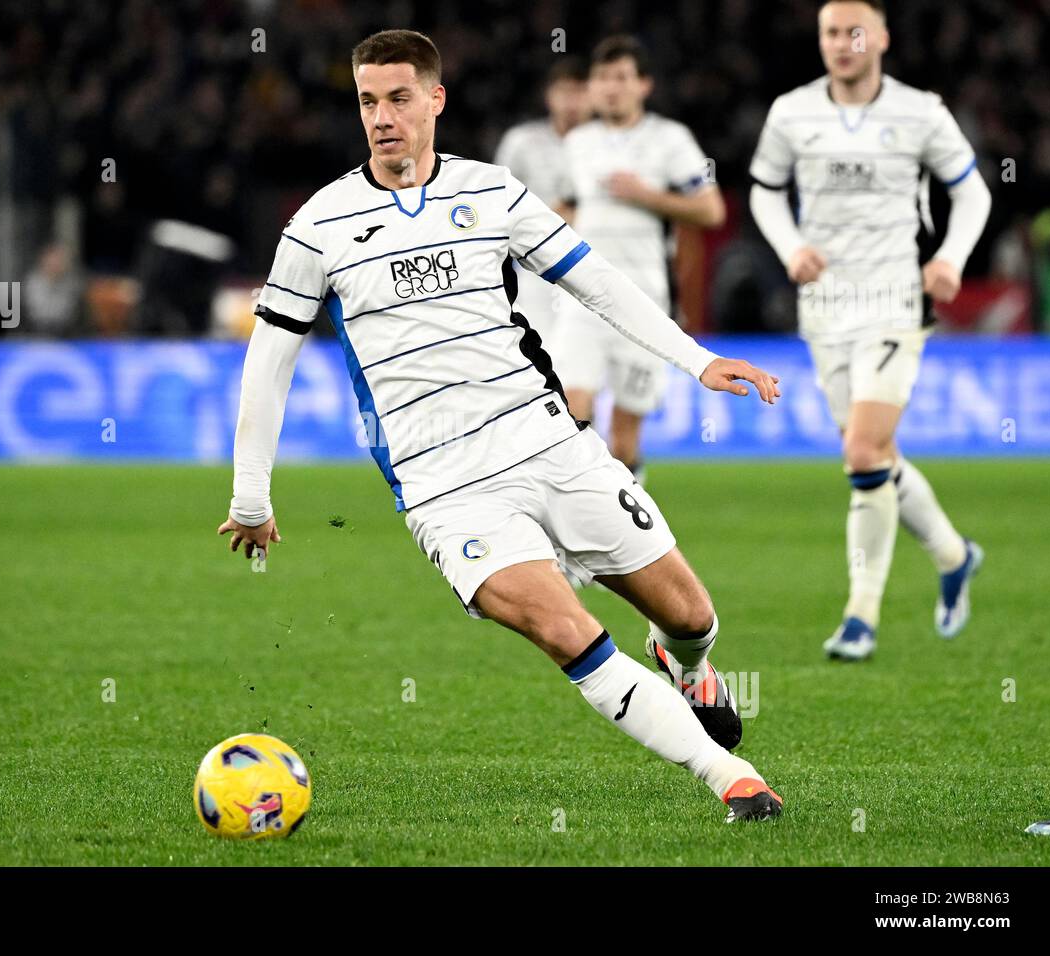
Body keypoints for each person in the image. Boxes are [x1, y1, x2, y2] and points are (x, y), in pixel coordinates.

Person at [220, 30, 784, 821]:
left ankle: (685, 662)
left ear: (435, 98)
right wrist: (252, 493)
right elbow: (268, 360)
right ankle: (732, 776)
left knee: (691, 615)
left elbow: (598, 283)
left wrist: (695, 360)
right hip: (446, 487)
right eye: (367, 102)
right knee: (566, 629)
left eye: (398, 98)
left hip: (549, 441)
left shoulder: (494, 193)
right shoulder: (320, 225)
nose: (382, 118)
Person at [748, 0, 991, 661]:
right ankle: (952, 552)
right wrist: (791, 246)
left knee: (860, 453)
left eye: (855, 31)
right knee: (874, 455)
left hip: (893, 300)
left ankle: (860, 616)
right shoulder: (791, 112)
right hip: (825, 307)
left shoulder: (920, 111)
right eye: (831, 32)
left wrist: (948, 259)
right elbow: (764, 190)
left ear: (881, 37)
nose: (842, 43)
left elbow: (973, 192)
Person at [549, 36, 726, 483]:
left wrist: (645, 194)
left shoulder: (670, 140)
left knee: (625, 440)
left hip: (644, 301)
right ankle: (577, 536)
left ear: (643, 85)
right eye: (603, 78)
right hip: (580, 301)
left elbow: (711, 210)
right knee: (572, 418)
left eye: (622, 78)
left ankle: (629, 538)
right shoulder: (578, 142)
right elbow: (569, 206)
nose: (611, 88)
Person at [493, 57, 590, 341]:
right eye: (564, 92)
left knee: (587, 356)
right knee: (540, 349)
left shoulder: (608, 145)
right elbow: (496, 205)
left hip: (592, 259)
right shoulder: (521, 142)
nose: (571, 102)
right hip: (535, 265)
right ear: (549, 96)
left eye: (579, 92)